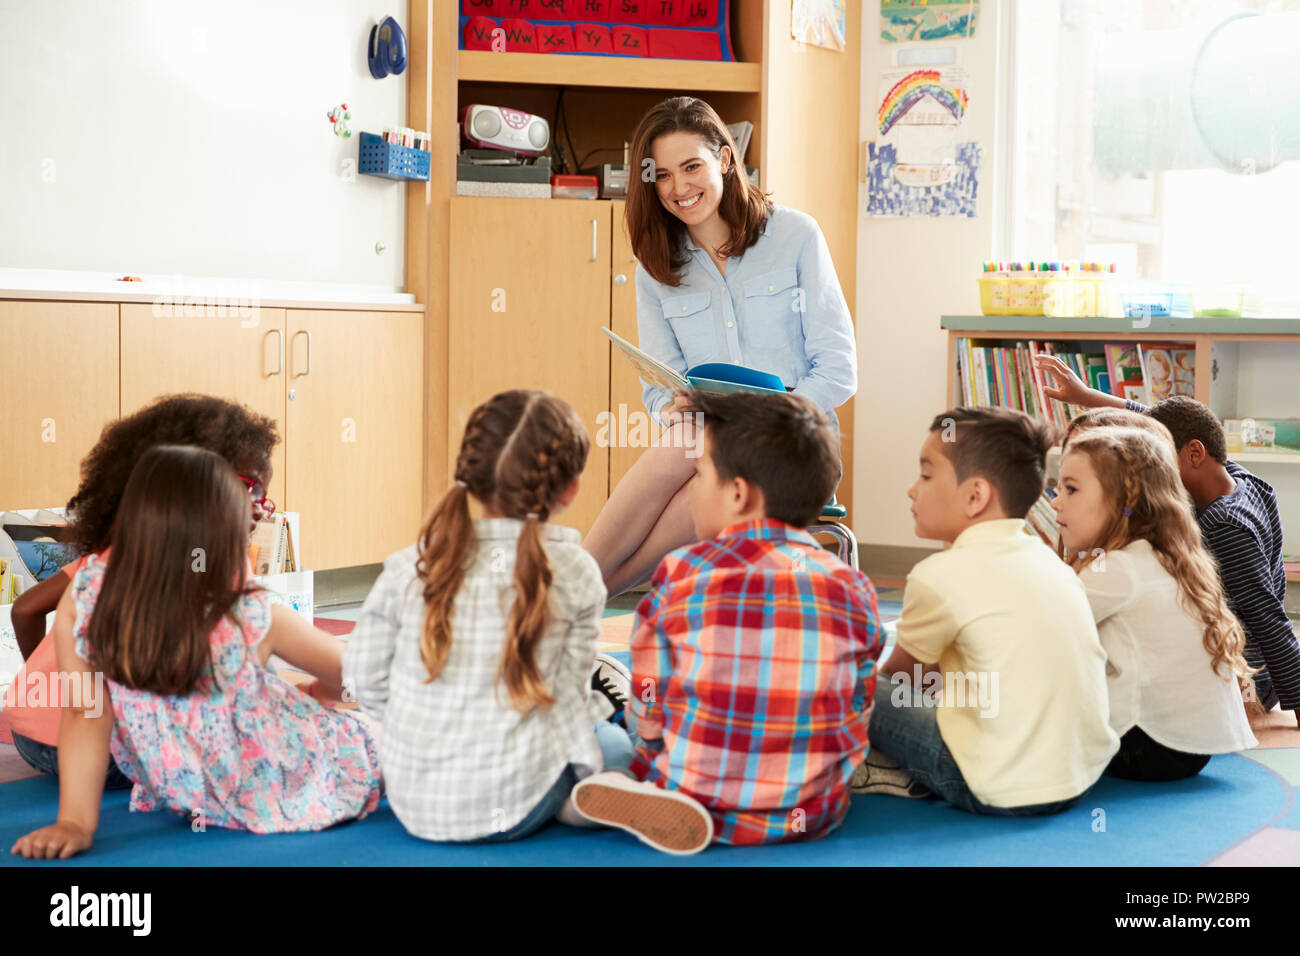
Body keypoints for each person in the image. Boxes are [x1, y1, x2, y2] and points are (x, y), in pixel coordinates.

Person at [342, 390, 705, 847]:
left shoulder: (409, 564)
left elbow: (363, 680)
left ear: (469, 474)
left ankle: (574, 795)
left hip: (416, 801)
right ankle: (585, 800)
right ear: (571, 490)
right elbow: (568, 707)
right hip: (517, 801)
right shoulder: (574, 571)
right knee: (612, 746)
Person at [12, 446, 378, 860]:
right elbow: (366, 678)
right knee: (373, 723)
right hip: (291, 770)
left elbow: (85, 712)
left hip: (202, 792)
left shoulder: (86, 601)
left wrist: (74, 822)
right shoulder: (249, 614)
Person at [573, 392, 881, 847]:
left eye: (699, 476)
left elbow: (651, 705)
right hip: (813, 811)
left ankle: (644, 785)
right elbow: (858, 702)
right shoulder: (852, 586)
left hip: (693, 790)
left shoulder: (681, 575)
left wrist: (648, 747)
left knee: (605, 736)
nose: (691, 491)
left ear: (738, 494)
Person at [583, 96, 857, 597]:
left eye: (692, 167)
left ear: (725, 160)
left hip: (794, 447)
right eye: (662, 175)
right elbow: (658, 386)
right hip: (704, 446)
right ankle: (578, 593)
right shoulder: (655, 269)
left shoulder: (796, 235)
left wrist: (770, 413)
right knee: (694, 443)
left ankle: (571, 587)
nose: (678, 188)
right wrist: (676, 406)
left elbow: (838, 368)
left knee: (697, 450)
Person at [5, 394, 279, 788]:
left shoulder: (109, 554)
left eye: (263, 496)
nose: (258, 508)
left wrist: (56, 681)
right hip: (110, 753)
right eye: (249, 488)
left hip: (30, 737)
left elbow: (24, 610)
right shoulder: (213, 557)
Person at [858, 406, 1118, 814]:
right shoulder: (1052, 562)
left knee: (857, 686)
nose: (912, 490)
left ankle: (883, 768)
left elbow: (900, 680)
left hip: (993, 787)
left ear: (975, 496)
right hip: (1079, 777)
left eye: (926, 475)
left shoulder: (938, 574)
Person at [1035, 354, 1300, 724]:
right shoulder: (1239, 477)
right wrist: (1092, 397)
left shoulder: (1226, 527)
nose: (1151, 466)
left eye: (1159, 457)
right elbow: (1168, 427)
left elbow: (1268, 620)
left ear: (1194, 453)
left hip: (1248, 678)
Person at [1054, 426, 1257, 780]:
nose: (1056, 502)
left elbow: (1042, 629)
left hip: (1148, 745)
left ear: (1123, 501)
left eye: (1070, 489)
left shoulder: (1119, 568)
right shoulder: (1164, 557)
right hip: (1190, 748)